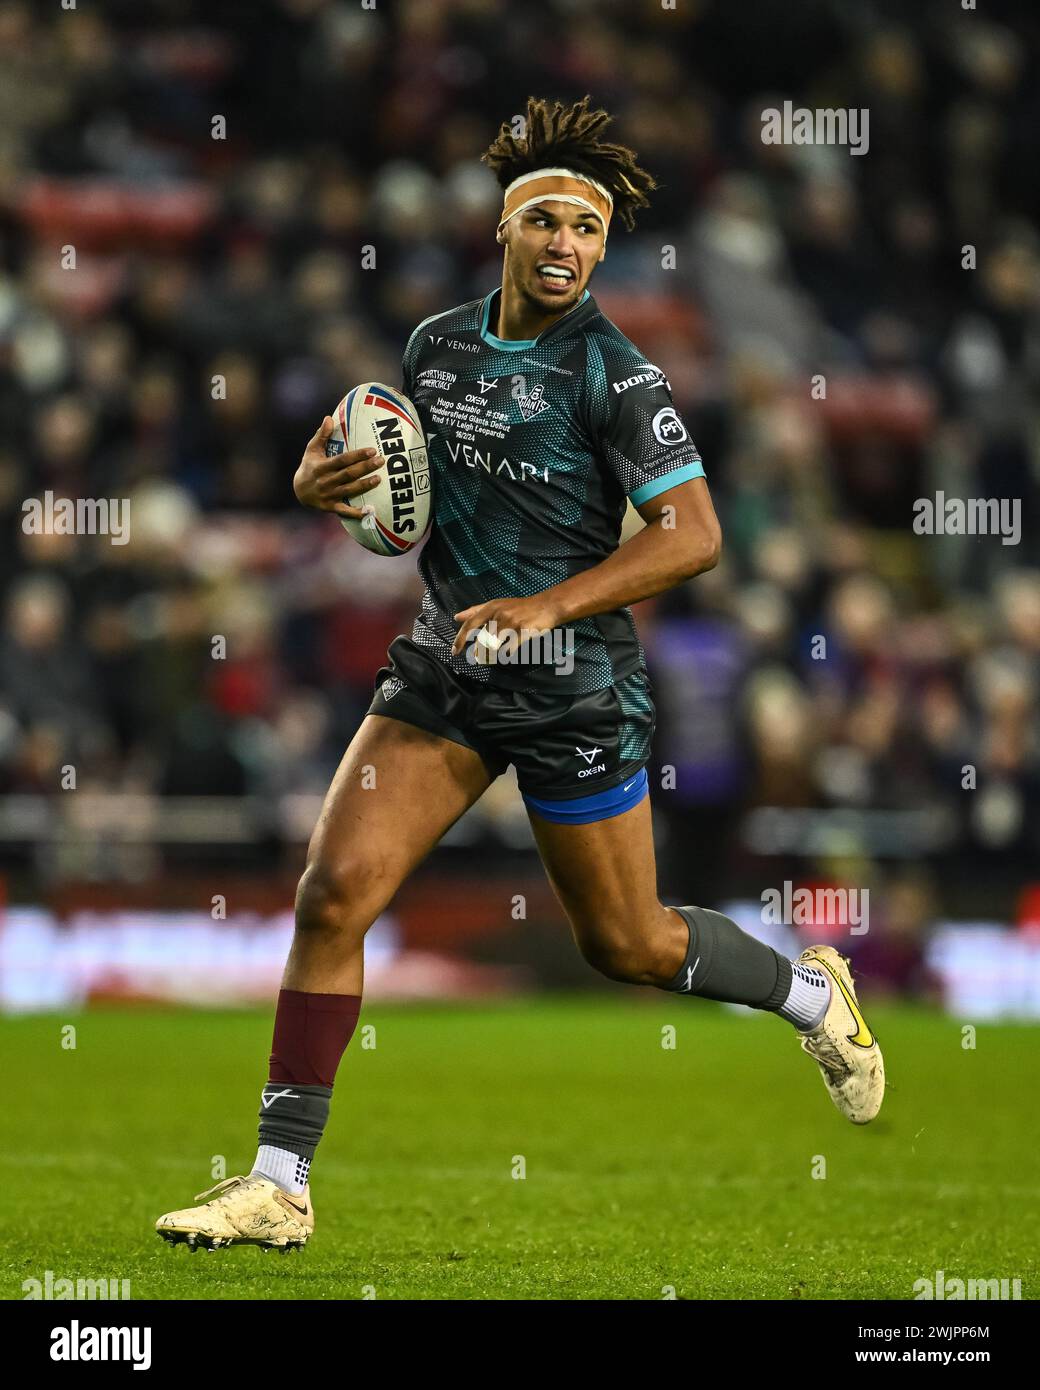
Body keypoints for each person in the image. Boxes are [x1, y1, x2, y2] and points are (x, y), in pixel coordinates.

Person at [155, 96, 883, 1254]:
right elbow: (395, 503)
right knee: (331, 893)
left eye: (585, 231)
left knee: (627, 944)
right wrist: (316, 485)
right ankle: (278, 1183)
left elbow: (691, 535)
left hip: (570, 682)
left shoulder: (613, 370)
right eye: (544, 221)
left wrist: (548, 603)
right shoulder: (431, 349)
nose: (565, 247)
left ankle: (808, 993)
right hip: (447, 665)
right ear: (501, 230)